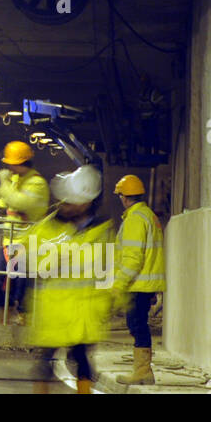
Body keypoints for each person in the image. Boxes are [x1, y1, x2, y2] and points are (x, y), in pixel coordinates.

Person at [23, 164, 113, 393]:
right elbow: (32, 259)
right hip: (54, 314)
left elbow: (110, 272)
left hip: (84, 316)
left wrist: (108, 304)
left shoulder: (102, 232)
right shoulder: (48, 228)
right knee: (42, 367)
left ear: (86, 203)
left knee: (83, 365)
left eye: (70, 201)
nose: (64, 204)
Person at [0, 141, 49, 315]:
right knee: (1, 281)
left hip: (26, 244)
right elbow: (6, 201)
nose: (8, 167)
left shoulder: (37, 183)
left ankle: (23, 319)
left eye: (10, 163)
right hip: (10, 242)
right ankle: (6, 318)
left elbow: (18, 201)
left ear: (20, 163)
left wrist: (4, 182)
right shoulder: (18, 180)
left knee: (21, 286)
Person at [111, 174, 167, 385]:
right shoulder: (149, 216)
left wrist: (119, 284)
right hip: (146, 283)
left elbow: (133, 259)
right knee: (138, 324)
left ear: (124, 197)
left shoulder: (135, 219)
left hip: (138, 284)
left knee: (137, 325)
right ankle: (142, 371)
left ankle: (143, 371)